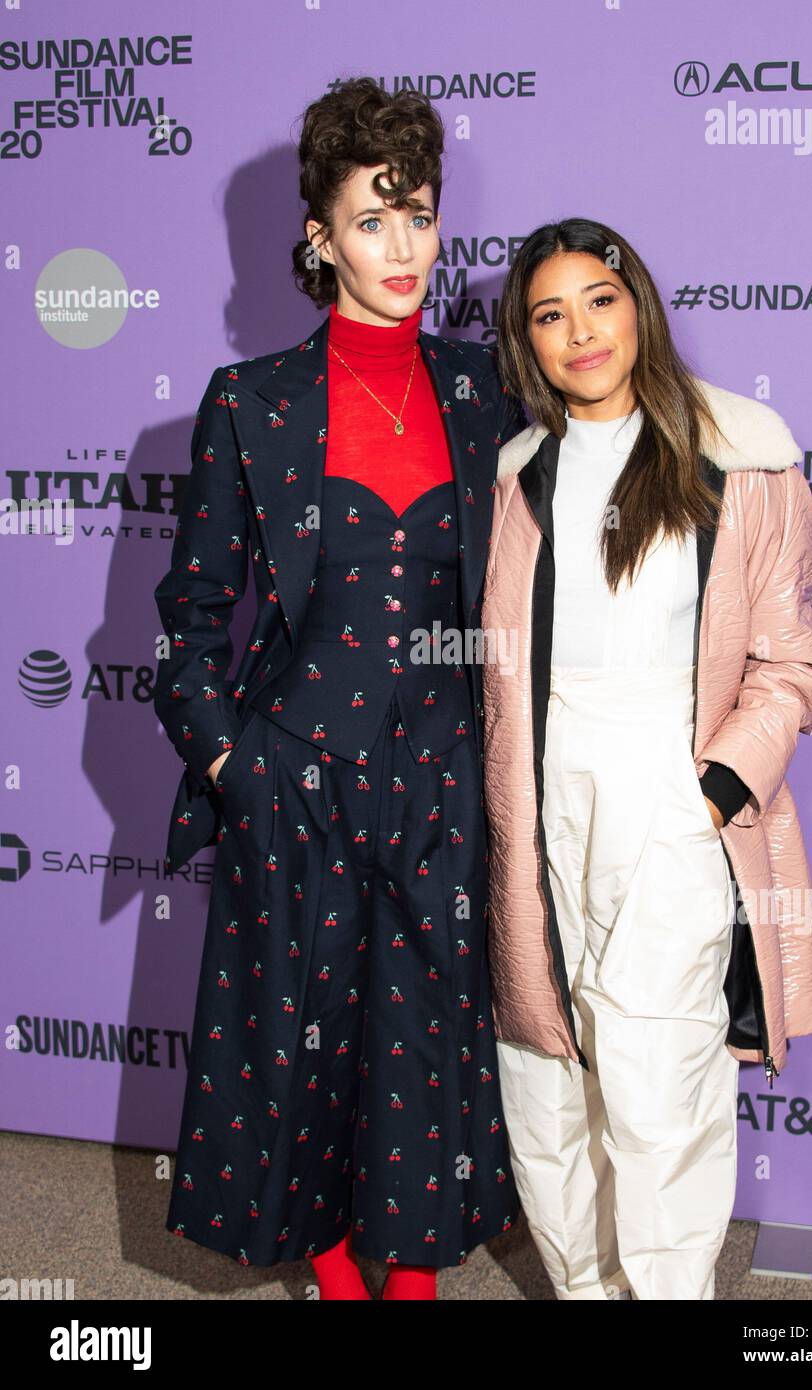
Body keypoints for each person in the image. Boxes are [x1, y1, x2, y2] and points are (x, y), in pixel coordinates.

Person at [153, 77, 526, 1300]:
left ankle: (406, 1280)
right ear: (318, 236)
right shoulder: (248, 404)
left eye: (417, 213)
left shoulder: (484, 392)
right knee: (291, 1036)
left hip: (440, 776)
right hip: (292, 770)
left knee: (421, 1043)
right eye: (371, 219)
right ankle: (327, 1262)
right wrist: (229, 759)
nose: (403, 245)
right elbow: (192, 619)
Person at [479, 218, 812, 1300]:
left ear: (637, 303)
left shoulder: (743, 452)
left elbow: (793, 665)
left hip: (673, 809)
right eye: (549, 314)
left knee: (661, 1096)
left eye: (599, 298)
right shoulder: (513, 476)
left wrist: (716, 788)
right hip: (538, 813)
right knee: (544, 1099)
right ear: (524, 341)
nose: (579, 331)